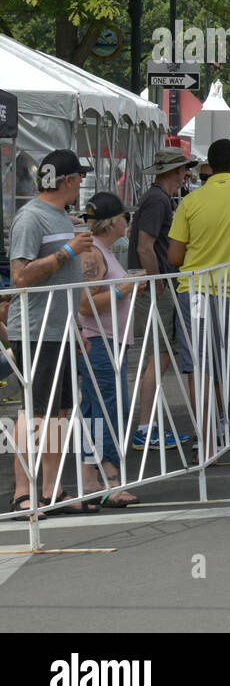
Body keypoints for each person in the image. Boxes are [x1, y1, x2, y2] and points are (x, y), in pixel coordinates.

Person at [7, 149, 96, 516]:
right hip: (34, 329)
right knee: (35, 410)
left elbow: (63, 282)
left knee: (57, 411)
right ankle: (23, 491)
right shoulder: (31, 218)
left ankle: (50, 488)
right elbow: (20, 275)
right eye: (80, 179)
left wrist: (74, 324)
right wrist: (69, 251)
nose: (81, 185)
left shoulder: (59, 215)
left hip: (56, 328)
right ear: (69, 181)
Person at [167, 139, 230, 444]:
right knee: (225, 360)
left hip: (194, 290)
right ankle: (226, 422)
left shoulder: (190, 201)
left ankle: (207, 436)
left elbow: (174, 257)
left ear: (208, 167)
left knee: (198, 367)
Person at [126, 147, 197, 453]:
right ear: (173, 171)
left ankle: (146, 425)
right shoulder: (157, 199)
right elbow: (145, 246)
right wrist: (156, 285)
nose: (187, 174)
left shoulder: (158, 198)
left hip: (157, 282)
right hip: (156, 284)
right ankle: (144, 427)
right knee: (160, 354)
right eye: (184, 169)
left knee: (160, 354)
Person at [76, 192, 141, 507]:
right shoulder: (94, 253)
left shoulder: (102, 251)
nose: (128, 222)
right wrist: (122, 289)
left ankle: (90, 481)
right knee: (110, 410)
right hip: (99, 340)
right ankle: (111, 480)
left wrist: (124, 287)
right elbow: (85, 305)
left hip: (108, 340)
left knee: (94, 412)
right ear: (114, 222)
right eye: (124, 217)